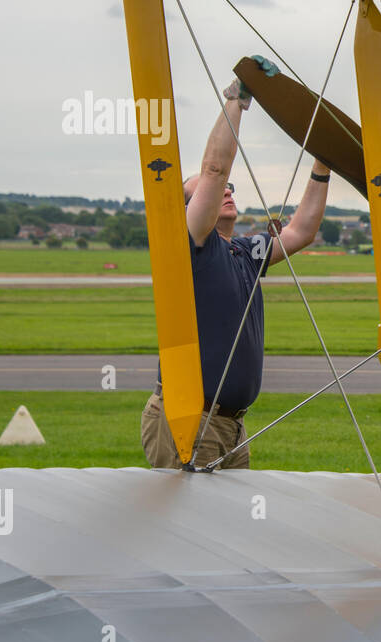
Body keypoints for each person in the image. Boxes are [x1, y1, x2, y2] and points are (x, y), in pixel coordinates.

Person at [141, 58, 333, 470]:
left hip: (231, 426)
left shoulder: (244, 251)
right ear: (190, 209)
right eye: (209, 192)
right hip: (190, 421)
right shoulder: (192, 245)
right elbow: (214, 168)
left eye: (230, 188)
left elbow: (301, 231)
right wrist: (237, 102)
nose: (225, 190)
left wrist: (322, 165)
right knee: (190, 529)